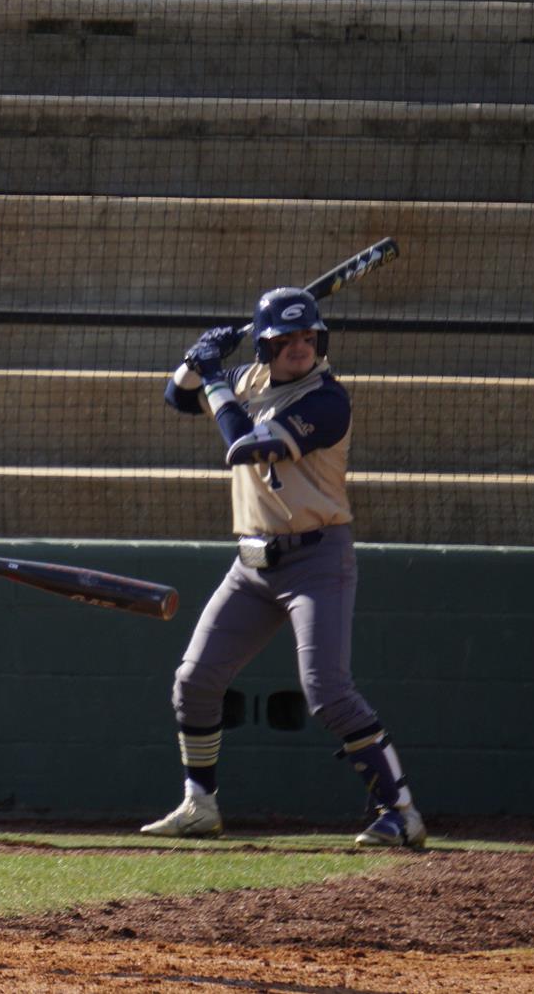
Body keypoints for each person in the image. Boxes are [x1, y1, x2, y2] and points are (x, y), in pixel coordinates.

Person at [142, 288, 426, 849]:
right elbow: (176, 398)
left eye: (307, 338)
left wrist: (214, 376)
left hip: (317, 558)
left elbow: (246, 447)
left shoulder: (327, 400)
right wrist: (196, 359)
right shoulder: (250, 379)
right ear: (266, 345)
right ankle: (200, 803)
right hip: (252, 562)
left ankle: (400, 811)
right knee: (194, 682)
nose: (299, 348)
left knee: (327, 692)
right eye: (285, 340)